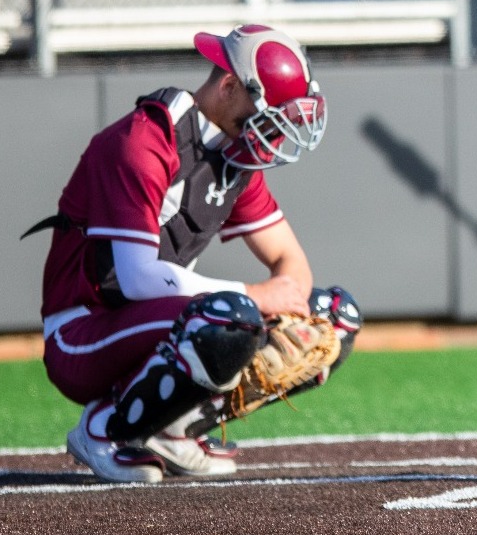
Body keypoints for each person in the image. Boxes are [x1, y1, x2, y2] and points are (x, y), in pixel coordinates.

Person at [31, 24, 361, 483]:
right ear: (229, 86)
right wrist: (260, 297)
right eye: (269, 115)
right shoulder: (144, 141)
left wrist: (289, 299)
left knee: (333, 316)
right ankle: (104, 428)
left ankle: (174, 426)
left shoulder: (234, 155)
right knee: (233, 317)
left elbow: (291, 265)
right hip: (84, 333)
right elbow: (136, 279)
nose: (276, 133)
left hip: (159, 325)